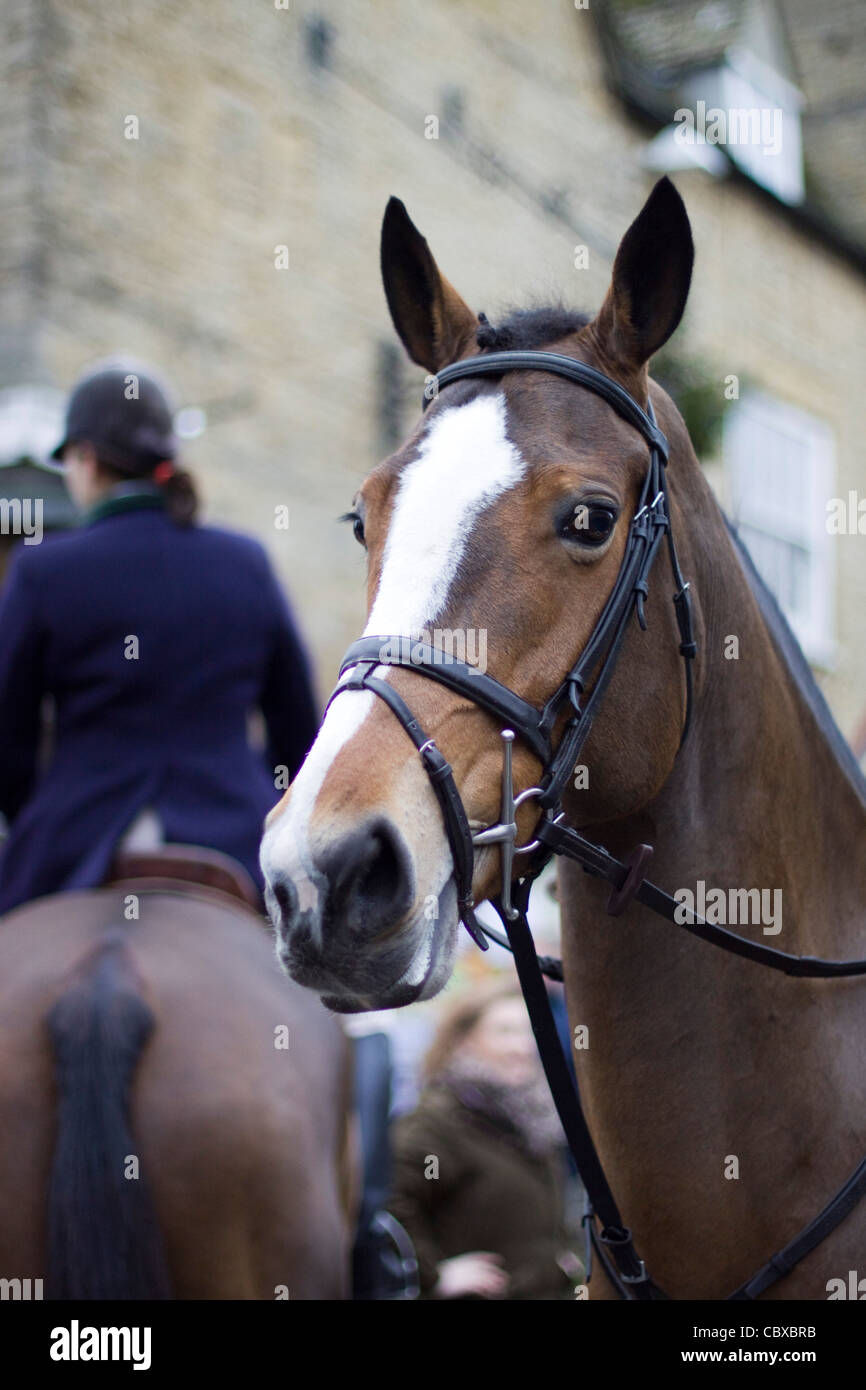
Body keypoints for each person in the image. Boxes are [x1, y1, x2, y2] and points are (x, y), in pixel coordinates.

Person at [0, 359, 318, 913]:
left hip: (74, 838)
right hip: (233, 837)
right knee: (320, 988)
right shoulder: (244, 562)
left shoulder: (43, 569)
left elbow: (6, 742)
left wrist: (43, 811)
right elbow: (299, 734)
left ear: (85, 458)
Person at [386, 979, 583, 1300]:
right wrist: (432, 1275)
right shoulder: (438, 1121)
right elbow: (389, 1203)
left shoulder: (534, 1118)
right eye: (504, 1032)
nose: (523, 1047)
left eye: (528, 1031)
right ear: (462, 1042)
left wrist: (565, 1258)